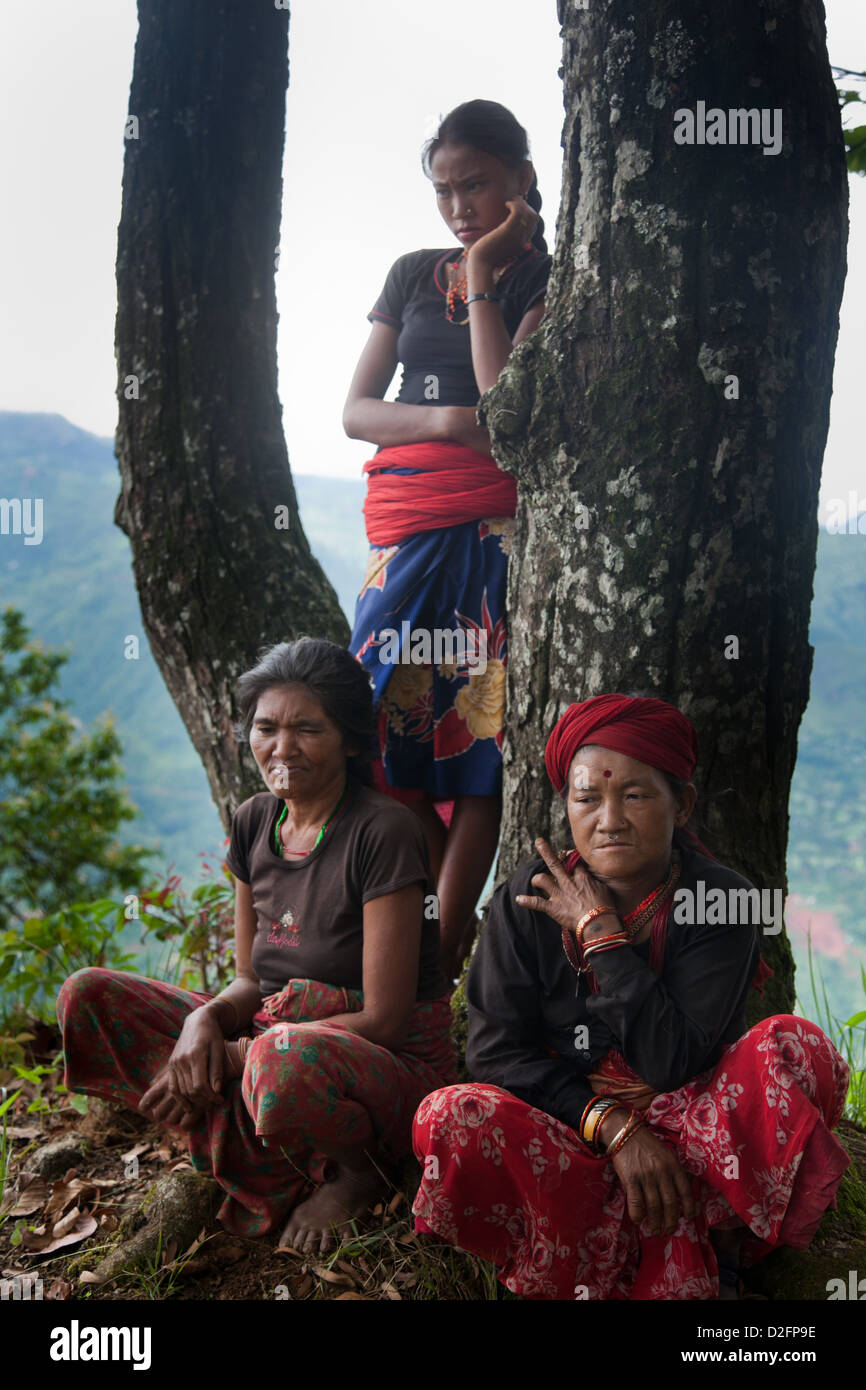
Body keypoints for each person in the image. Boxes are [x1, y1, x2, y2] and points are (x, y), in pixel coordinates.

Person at [410, 694, 850, 1300]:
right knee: (447, 1115)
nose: (608, 819)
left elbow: (671, 1062)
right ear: (567, 805)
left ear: (683, 804)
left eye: (636, 795)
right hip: (577, 1139)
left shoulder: (720, 901)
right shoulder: (526, 900)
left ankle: (721, 1244)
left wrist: (598, 934)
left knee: (798, 1048)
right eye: (587, 798)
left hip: (695, 1139)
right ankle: (591, 1255)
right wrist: (611, 1126)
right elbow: (495, 1053)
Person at [57, 637, 456, 1254]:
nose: (282, 748)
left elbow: (386, 1017)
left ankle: (357, 1170)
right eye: (266, 727)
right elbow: (249, 979)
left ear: (351, 740)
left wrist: (241, 1054)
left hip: (381, 1063)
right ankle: (253, 1130)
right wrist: (204, 1019)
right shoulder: (253, 821)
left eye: (307, 729)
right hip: (273, 1032)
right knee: (88, 994)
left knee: (279, 1062)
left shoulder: (383, 831)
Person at [345, 99, 552, 979]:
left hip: (489, 535)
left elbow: (504, 407)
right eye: (445, 192)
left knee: (474, 739)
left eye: (476, 186)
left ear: (520, 179)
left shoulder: (551, 279)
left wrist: (480, 273)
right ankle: (394, 945)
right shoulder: (404, 274)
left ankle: (444, 947)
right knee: (379, 721)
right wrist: (442, 421)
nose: (460, 206)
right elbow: (357, 413)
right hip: (404, 532)